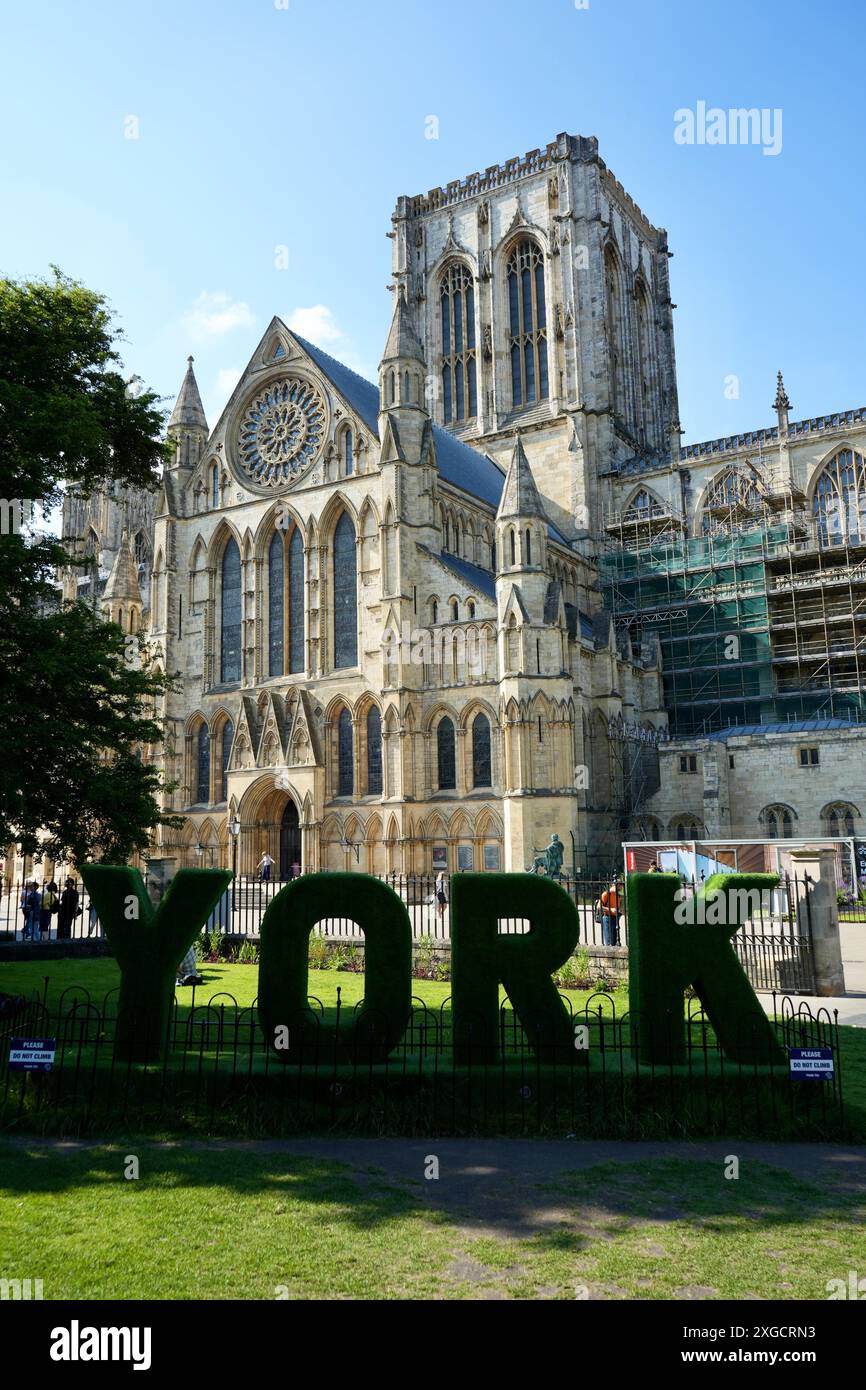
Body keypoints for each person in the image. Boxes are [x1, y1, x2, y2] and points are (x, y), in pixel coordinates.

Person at [600, 880, 621, 946]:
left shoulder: (618, 896)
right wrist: (610, 910)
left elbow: (618, 907)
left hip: (615, 918)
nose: (621, 887)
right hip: (607, 918)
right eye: (620, 885)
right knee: (609, 942)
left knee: (615, 941)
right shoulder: (606, 894)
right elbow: (599, 907)